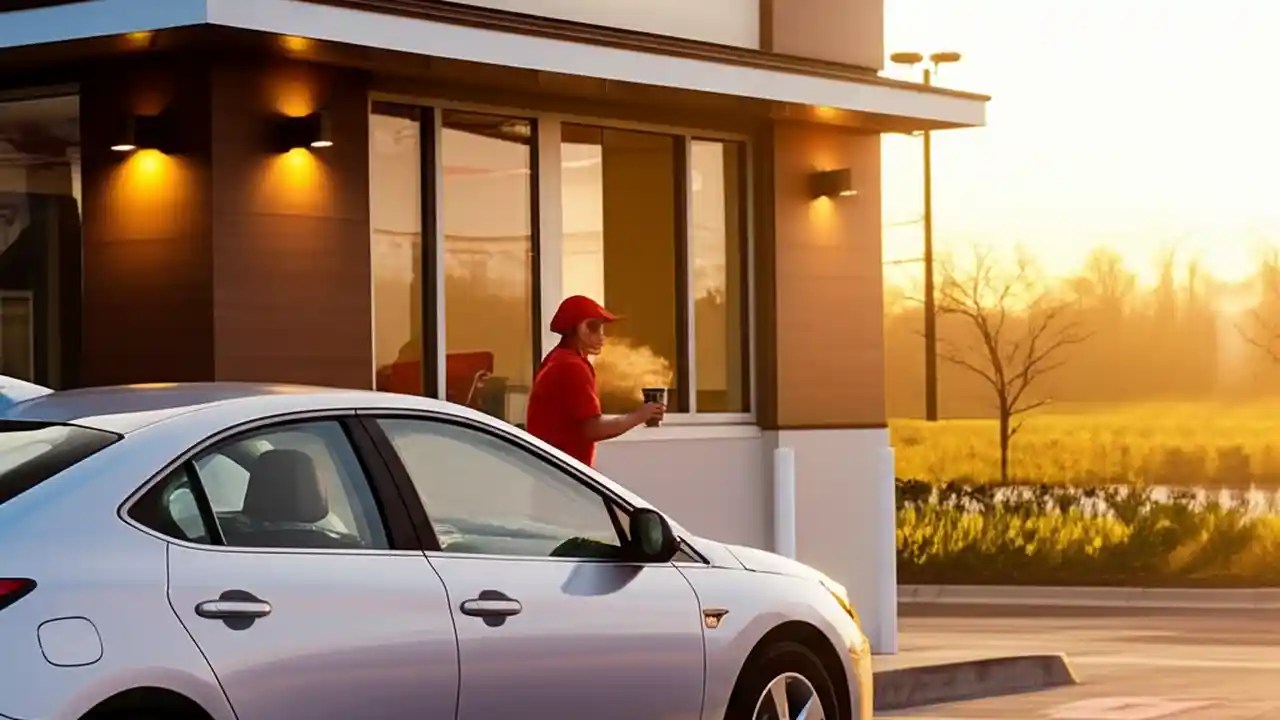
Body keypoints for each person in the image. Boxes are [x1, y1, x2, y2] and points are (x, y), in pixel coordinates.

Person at [525, 295, 665, 467]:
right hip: (562, 473)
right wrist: (639, 416)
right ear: (579, 329)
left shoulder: (557, 359)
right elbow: (593, 429)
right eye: (594, 327)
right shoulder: (572, 366)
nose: (602, 336)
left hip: (549, 469)